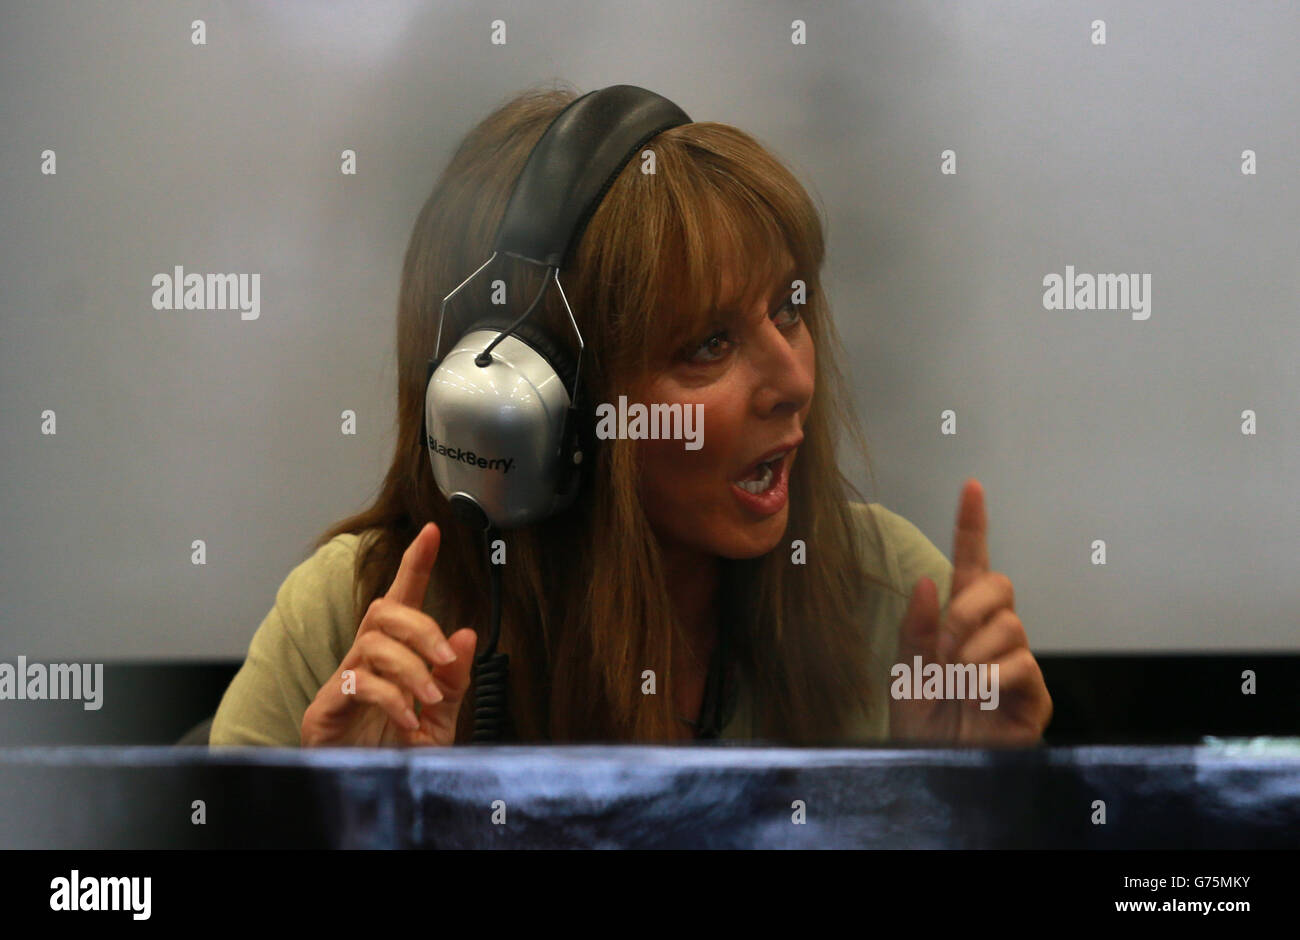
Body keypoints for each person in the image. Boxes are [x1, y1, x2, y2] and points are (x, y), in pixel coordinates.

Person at [210, 83, 1051, 748]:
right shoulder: (352, 625)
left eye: (788, 310)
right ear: (536, 416)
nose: (794, 378)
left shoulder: (889, 603)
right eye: (709, 345)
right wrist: (335, 824)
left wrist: (959, 806)